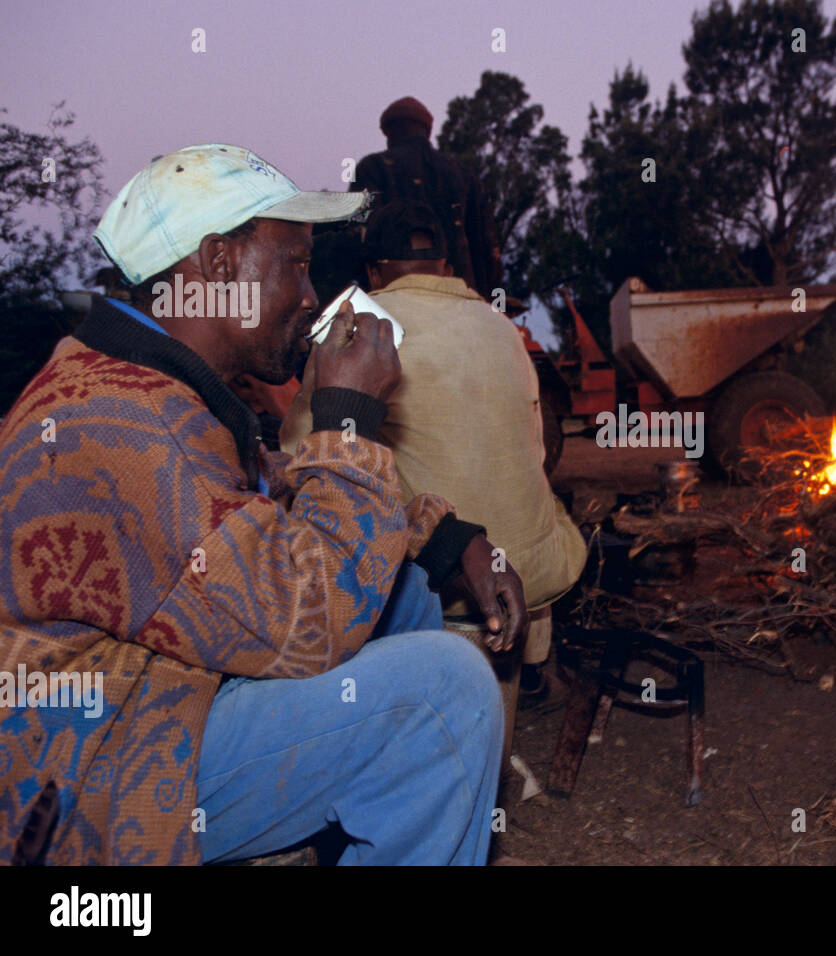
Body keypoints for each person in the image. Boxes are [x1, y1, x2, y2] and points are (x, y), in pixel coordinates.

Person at [0, 144, 526, 866]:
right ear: (218, 266)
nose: (311, 295)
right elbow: (309, 623)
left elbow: (269, 492)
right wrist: (345, 420)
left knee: (402, 590)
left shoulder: (143, 383)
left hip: (145, 687)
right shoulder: (122, 426)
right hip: (87, 771)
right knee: (445, 695)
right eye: (295, 264)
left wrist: (442, 538)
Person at [282, 201, 587, 755]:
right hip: (527, 565)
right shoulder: (503, 327)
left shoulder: (352, 325)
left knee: (324, 502)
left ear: (375, 272)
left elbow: (303, 455)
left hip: (439, 580)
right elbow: (539, 449)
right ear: (444, 267)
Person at [351, 96, 504, 298]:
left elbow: (356, 244)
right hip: (462, 304)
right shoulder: (465, 175)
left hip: (394, 304)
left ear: (389, 131)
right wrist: (487, 303)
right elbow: (488, 250)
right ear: (427, 131)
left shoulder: (372, 168)